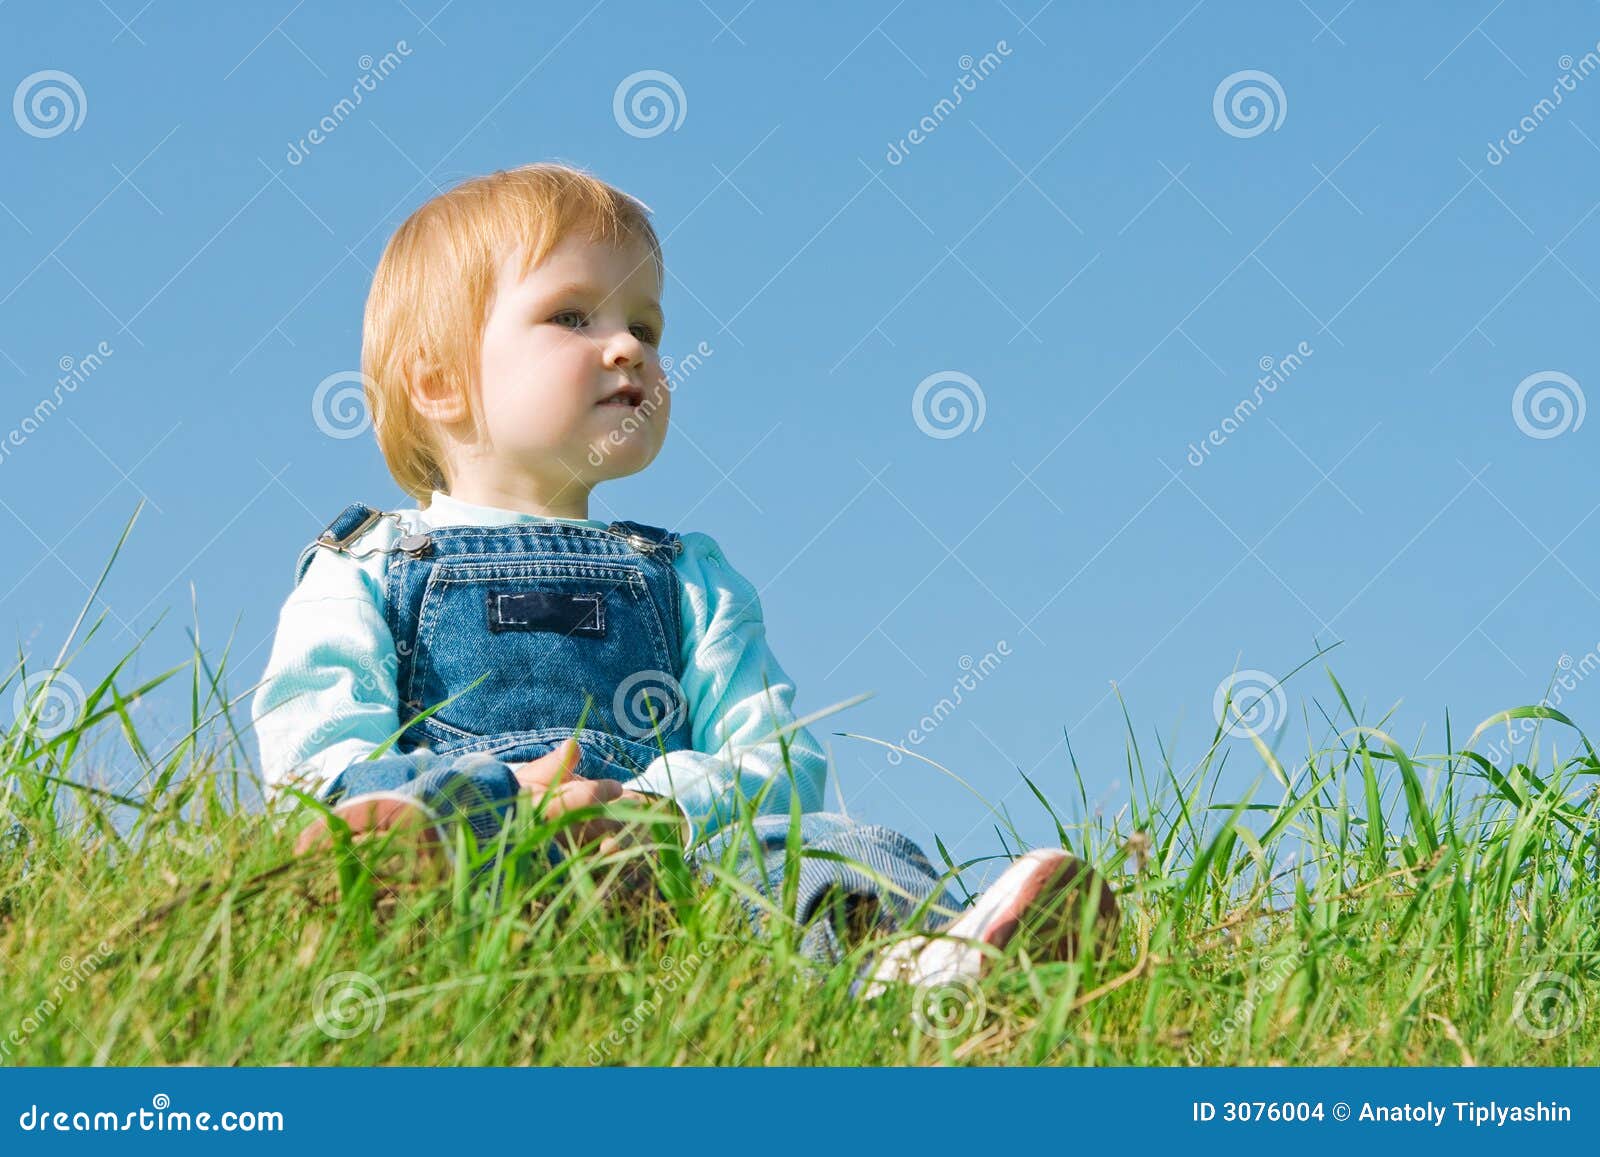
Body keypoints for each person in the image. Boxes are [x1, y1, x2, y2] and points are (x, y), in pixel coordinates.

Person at [249, 161, 1117, 1001]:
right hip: (482, 843)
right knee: (375, 803)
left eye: (648, 326)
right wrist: (503, 795)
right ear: (439, 382)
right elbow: (316, 757)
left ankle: (921, 966)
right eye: (572, 315)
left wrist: (651, 807)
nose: (628, 345)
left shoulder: (685, 576)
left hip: (660, 868)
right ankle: (404, 893)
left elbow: (776, 756)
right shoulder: (364, 564)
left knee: (828, 841)